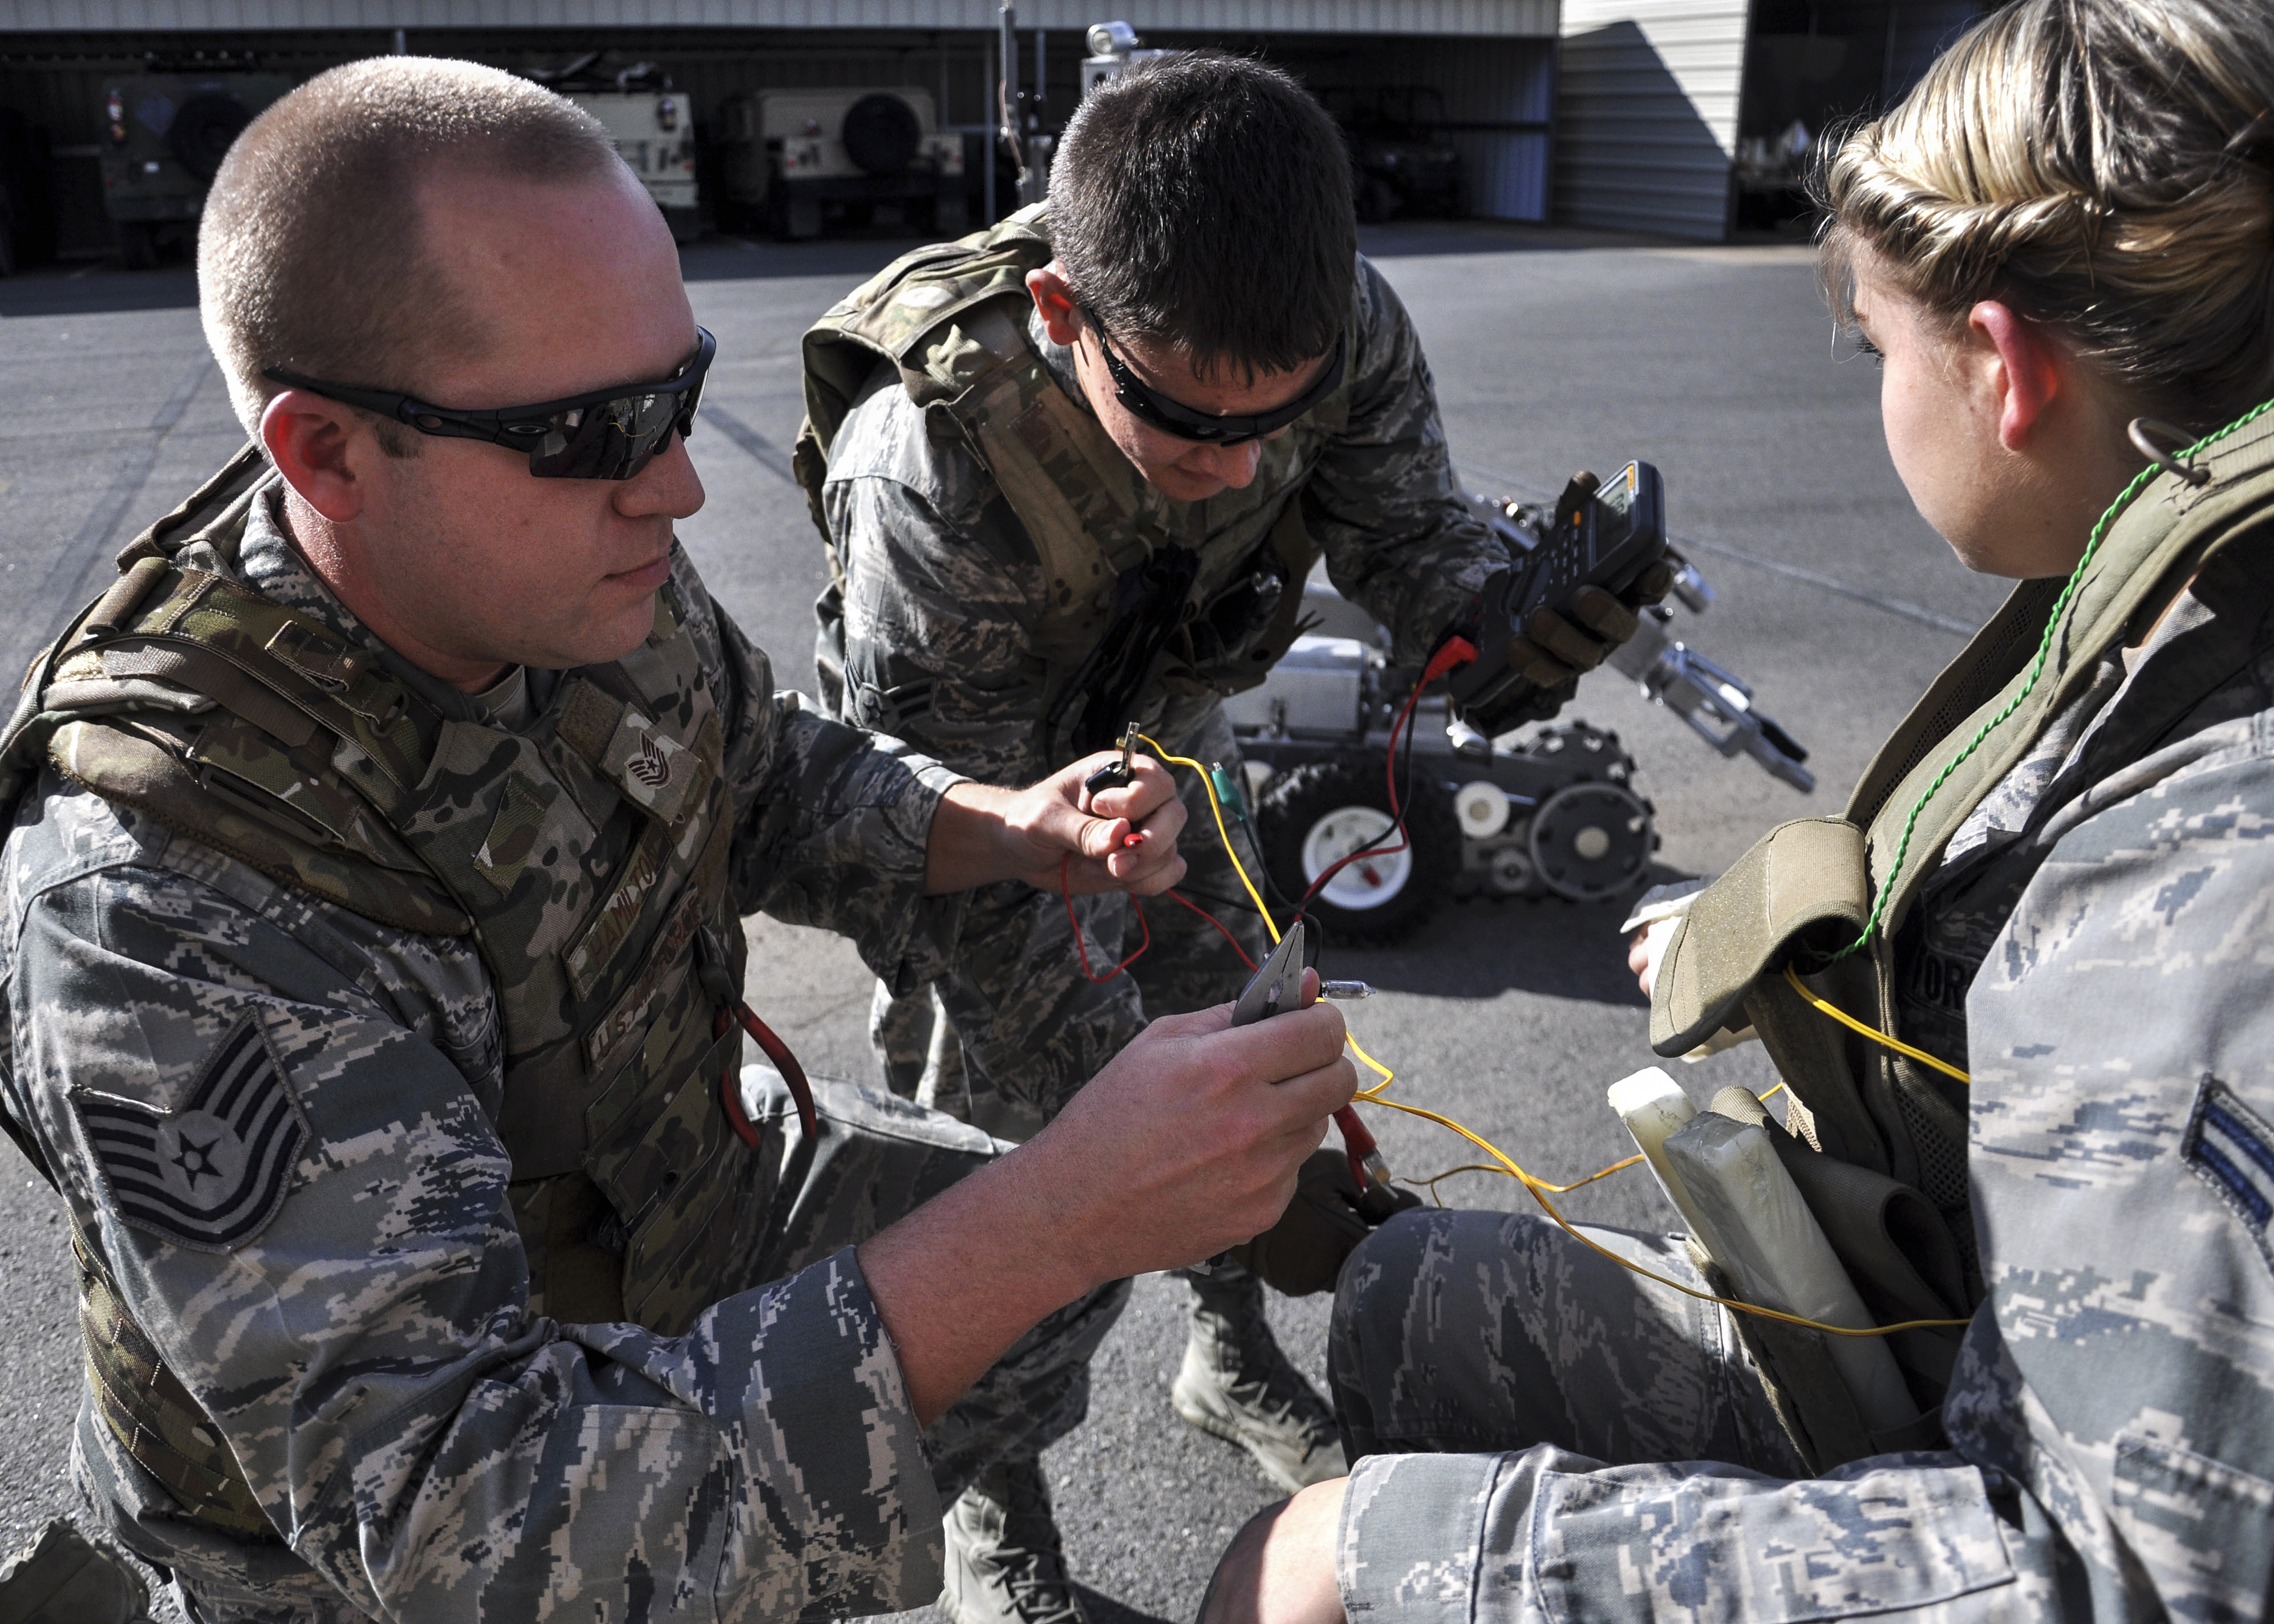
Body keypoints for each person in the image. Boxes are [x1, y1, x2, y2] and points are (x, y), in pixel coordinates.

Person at [0, 58, 1361, 1624]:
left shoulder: (552, 567)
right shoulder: (167, 893)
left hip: (665, 1228)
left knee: (1033, 1288)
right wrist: (1061, 1205)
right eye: (596, 428)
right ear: (329, 457)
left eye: (683, 389)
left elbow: (758, 769)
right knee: (1029, 1240)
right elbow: (472, 1521)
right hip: (380, 1540)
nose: (678, 481)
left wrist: (1004, 825)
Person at [1199, 1, 2274, 1618]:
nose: (1876, 387)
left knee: (1325, 1533)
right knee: (1404, 1294)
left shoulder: (2198, 874)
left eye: (1877, 345)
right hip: (1990, 1313)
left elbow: (2107, 1574)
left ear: (2001, 366)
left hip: (2015, 1451)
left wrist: (1386, 1566)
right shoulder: (2193, 627)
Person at [797, 54, 1667, 1610]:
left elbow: (1403, 533)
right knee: (995, 1161)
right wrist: (1093, 1056)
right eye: (1190, 427)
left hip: (1174, 754)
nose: (1244, 468)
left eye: (1277, 421)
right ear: (1064, 318)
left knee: (1245, 1064)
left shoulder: (1336, 322)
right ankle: (1000, 1523)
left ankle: (1227, 1356)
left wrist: (1500, 619)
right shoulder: (926, 460)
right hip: (961, 800)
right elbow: (919, 814)